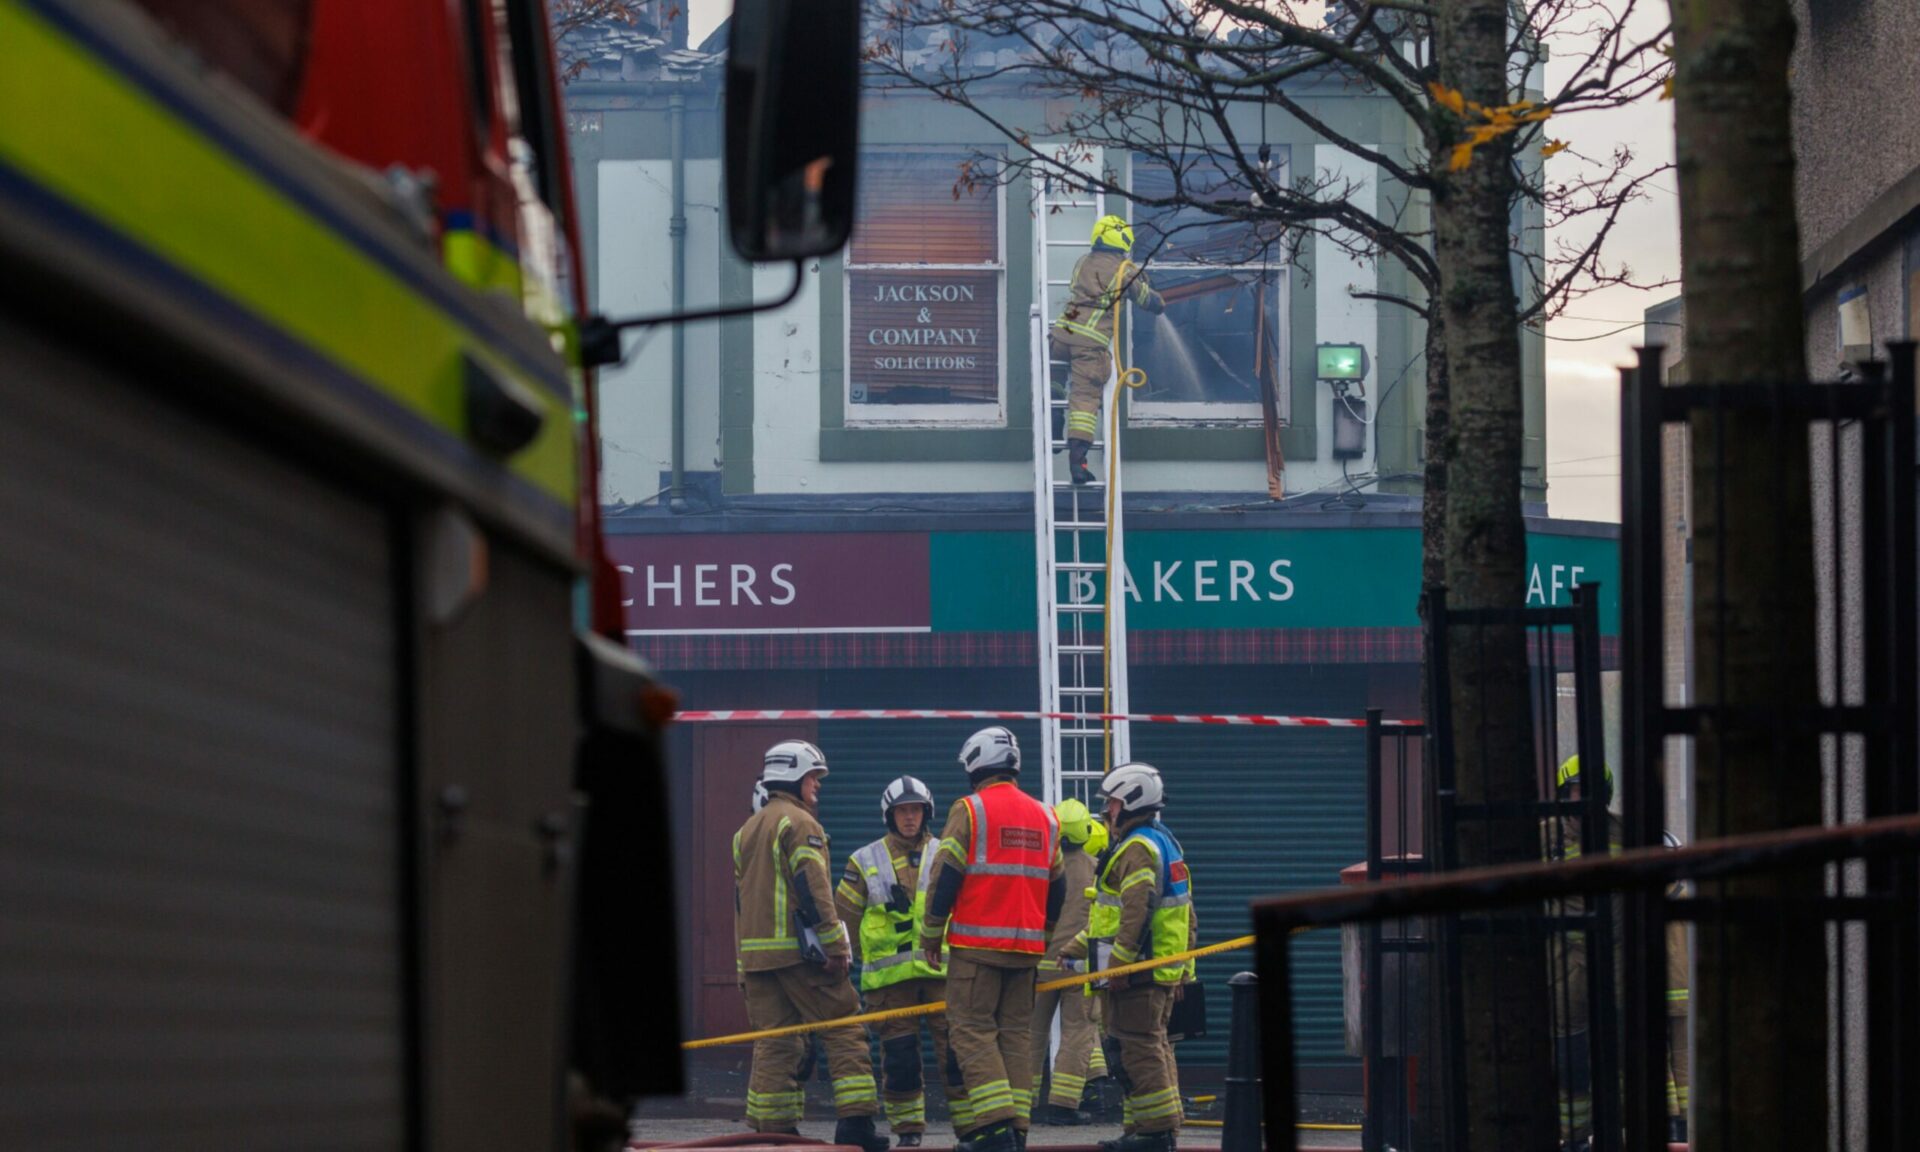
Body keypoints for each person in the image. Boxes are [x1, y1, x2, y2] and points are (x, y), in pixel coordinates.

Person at [733, 740, 889, 1152]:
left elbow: (740, 904)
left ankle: (776, 1132)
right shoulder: (800, 823)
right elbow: (814, 888)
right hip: (803, 956)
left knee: (776, 1042)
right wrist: (836, 944)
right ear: (793, 776)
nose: (817, 785)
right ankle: (856, 1125)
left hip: (758, 960)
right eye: (813, 777)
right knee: (844, 1028)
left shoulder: (746, 831)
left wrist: (742, 965)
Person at [919, 726, 1066, 1152]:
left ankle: (996, 1130)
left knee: (972, 1031)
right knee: (1015, 1036)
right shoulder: (1047, 816)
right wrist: (1044, 936)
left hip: (977, 950)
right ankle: (1017, 1130)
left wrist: (931, 933)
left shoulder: (970, 810)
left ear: (975, 765)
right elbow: (1058, 888)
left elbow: (945, 875)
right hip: (1026, 953)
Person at [1064, 762, 1193, 1152]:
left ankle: (1155, 1134)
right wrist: (1075, 949)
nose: (1107, 810)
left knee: (1139, 1050)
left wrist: (1119, 966)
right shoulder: (1164, 842)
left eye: (1113, 802)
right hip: (1155, 970)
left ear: (1132, 801)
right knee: (1144, 1048)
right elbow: (1181, 915)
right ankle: (1144, 1129)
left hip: (1138, 974)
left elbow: (1137, 911)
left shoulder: (1137, 848)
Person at [835, 776, 967, 1148]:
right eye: (902, 811)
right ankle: (908, 1131)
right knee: (900, 1059)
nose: (910, 817)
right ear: (889, 815)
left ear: (927, 813)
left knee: (957, 1056)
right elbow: (844, 917)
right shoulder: (865, 859)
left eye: (916, 810)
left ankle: (972, 1130)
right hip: (890, 983)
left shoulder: (946, 852)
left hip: (943, 975)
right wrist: (853, 959)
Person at [1542, 754, 1623, 1151]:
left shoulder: (1623, 832)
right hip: (1565, 962)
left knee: (1617, 1051)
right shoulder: (1546, 837)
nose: (1583, 797)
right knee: (1570, 1056)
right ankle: (1574, 1138)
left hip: (1615, 956)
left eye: (1590, 790)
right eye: (1577, 790)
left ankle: (1616, 1131)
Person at [1049, 215, 1165, 485]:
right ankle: (1078, 463)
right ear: (1122, 239)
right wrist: (1159, 302)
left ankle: (1054, 422)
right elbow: (1145, 298)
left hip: (1062, 335)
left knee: (1056, 383)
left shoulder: (1083, 262)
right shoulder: (1124, 270)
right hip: (1089, 344)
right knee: (1084, 401)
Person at [1028, 799, 1103, 1126]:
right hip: (1078, 968)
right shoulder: (1098, 869)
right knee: (1077, 1032)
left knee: (1029, 1034)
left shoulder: (1042, 867)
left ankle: (1022, 1103)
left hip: (1039, 967)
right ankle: (1063, 1105)